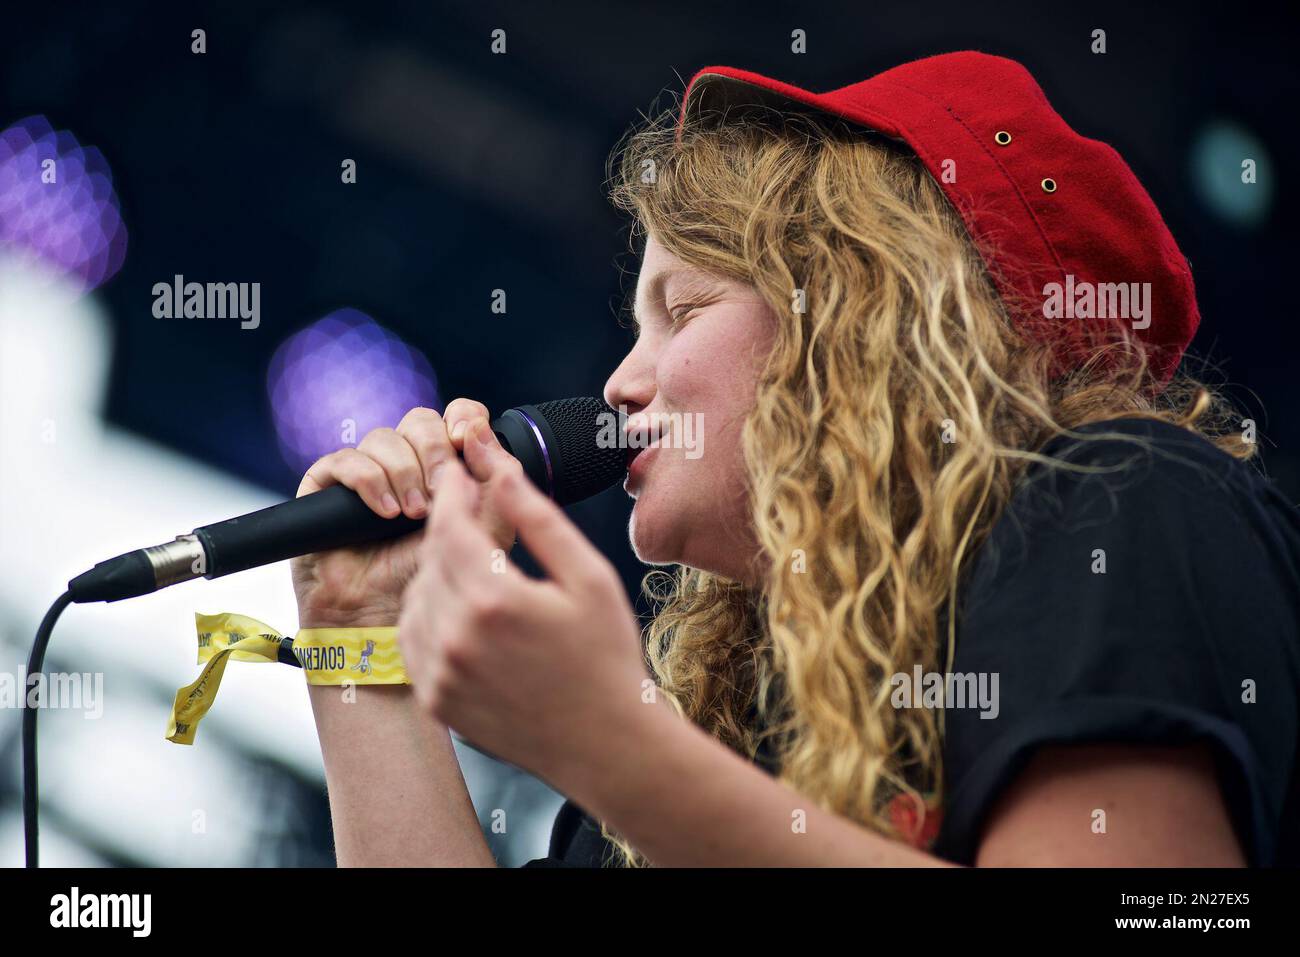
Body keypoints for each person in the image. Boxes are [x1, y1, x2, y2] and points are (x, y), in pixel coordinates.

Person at [290, 52, 1300, 867]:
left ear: (867, 324)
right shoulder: (717, 713)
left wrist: (615, 750)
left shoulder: (1121, 499)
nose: (617, 385)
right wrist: (360, 642)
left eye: (682, 311)